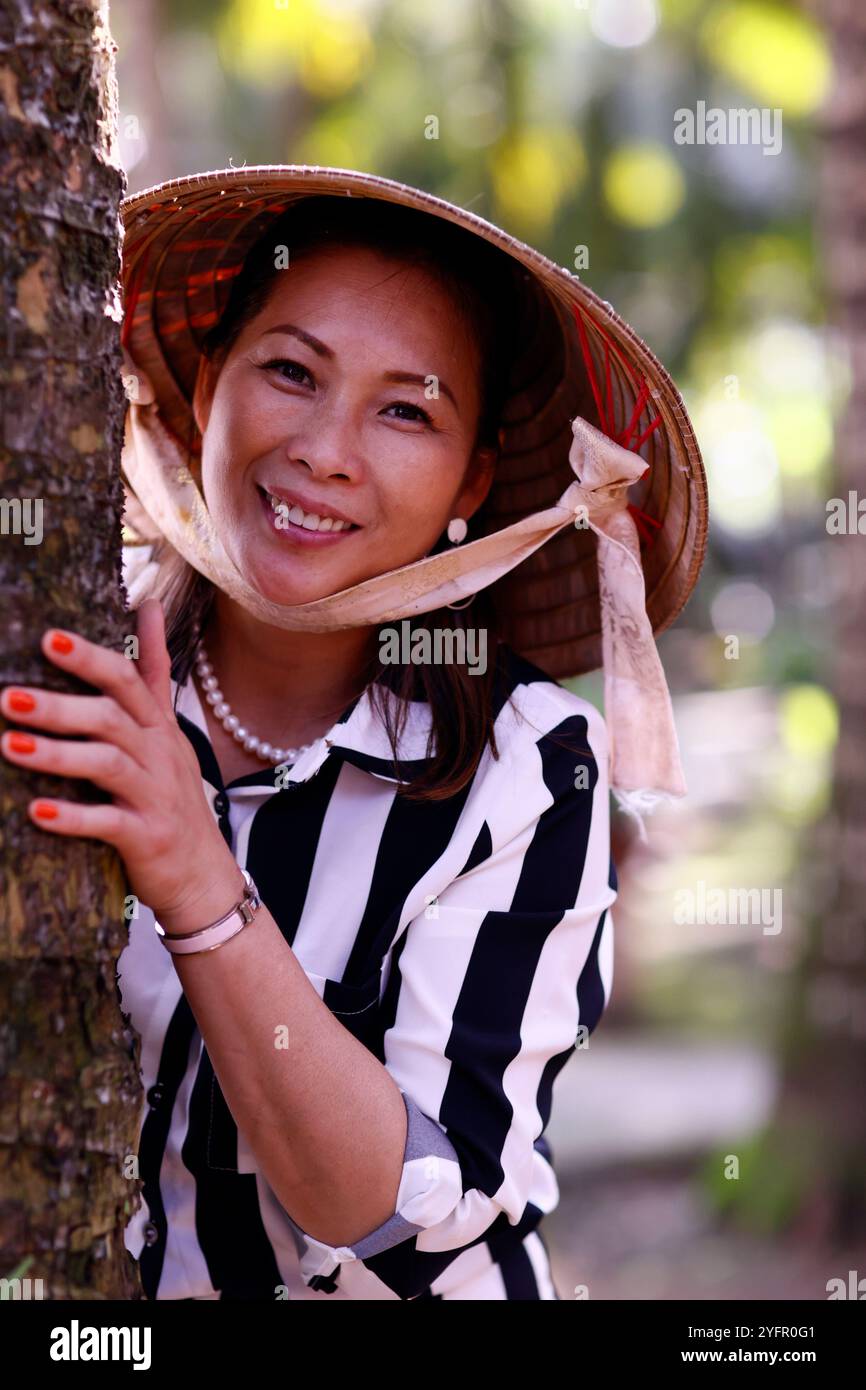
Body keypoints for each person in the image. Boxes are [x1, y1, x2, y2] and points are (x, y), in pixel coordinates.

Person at [0, 167, 707, 1300]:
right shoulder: (64, 655)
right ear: (206, 383)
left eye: (404, 409)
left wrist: (196, 880)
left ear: (472, 479)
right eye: (290, 370)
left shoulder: (531, 772)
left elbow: (390, 1211)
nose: (326, 451)